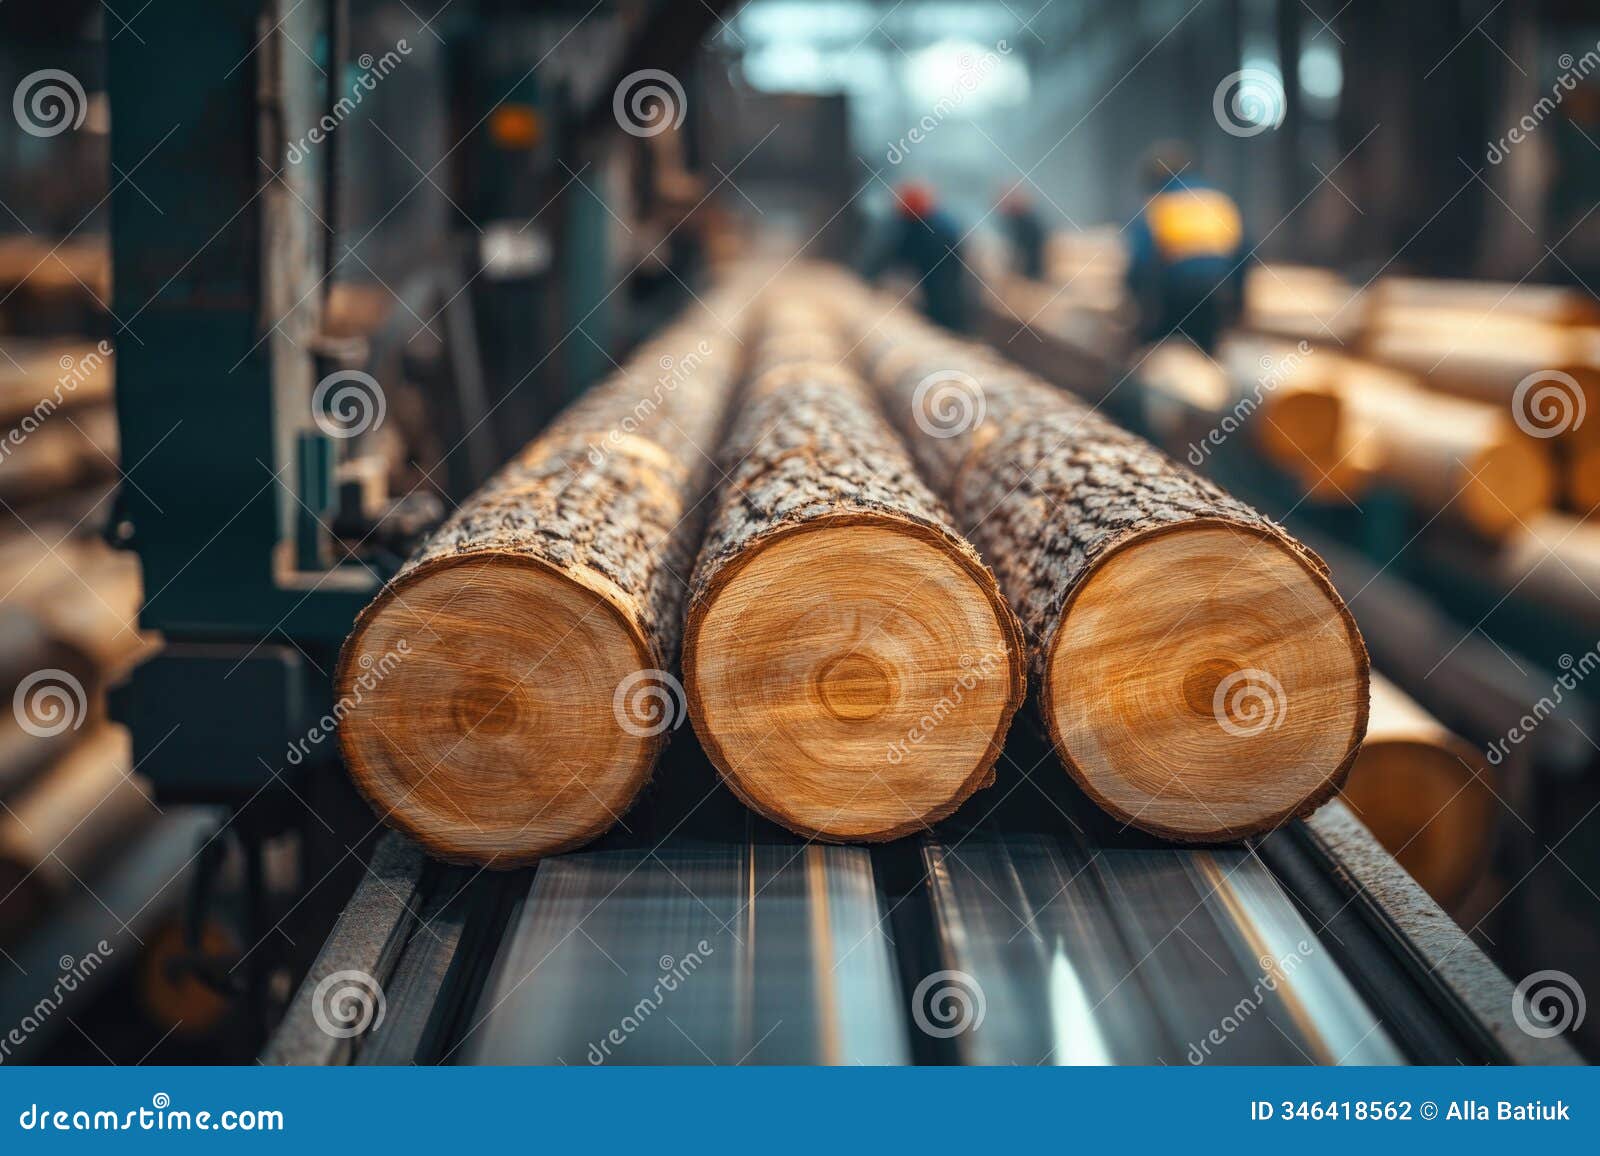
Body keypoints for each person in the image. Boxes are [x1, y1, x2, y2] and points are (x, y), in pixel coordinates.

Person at [1124, 143, 1247, 353]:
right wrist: (1239, 305)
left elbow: (1139, 264)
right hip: (1215, 297)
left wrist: (1136, 308)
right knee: (1207, 351)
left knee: (1156, 351)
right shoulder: (1219, 201)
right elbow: (1244, 254)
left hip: (1175, 298)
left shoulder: (1159, 205)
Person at [861, 182, 973, 332]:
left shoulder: (939, 230)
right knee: (940, 296)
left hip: (943, 262)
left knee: (944, 296)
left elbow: (948, 274)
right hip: (934, 263)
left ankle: (951, 328)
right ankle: (945, 324)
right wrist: (868, 278)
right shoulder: (903, 226)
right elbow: (884, 254)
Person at [996, 185, 1046, 280]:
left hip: (1031, 271)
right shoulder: (1022, 220)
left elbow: (1023, 250)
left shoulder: (1025, 223)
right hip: (1031, 268)